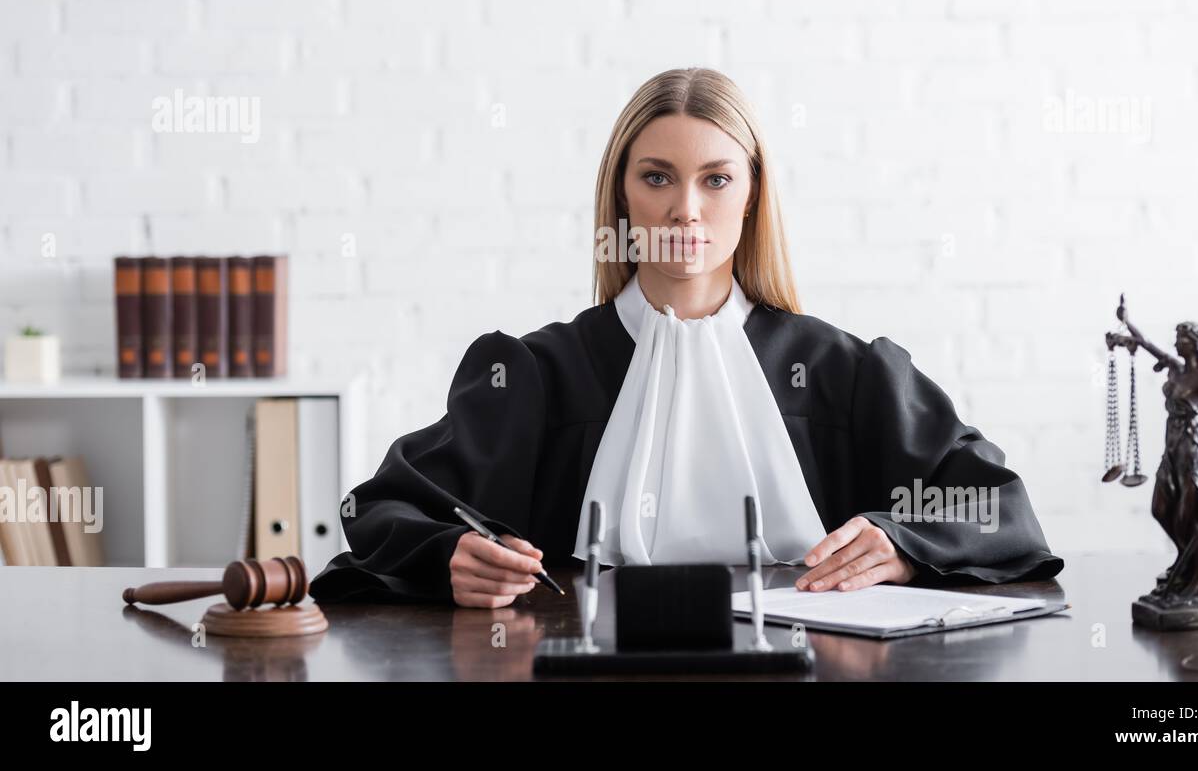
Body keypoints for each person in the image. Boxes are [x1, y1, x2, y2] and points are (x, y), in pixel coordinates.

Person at [309, 67, 1064, 608]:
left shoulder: (844, 375)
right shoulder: (538, 376)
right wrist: (448, 555)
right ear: (621, 194)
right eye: (658, 177)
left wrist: (904, 543)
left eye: (716, 178)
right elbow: (374, 512)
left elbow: (996, 506)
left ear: (753, 194)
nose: (685, 212)